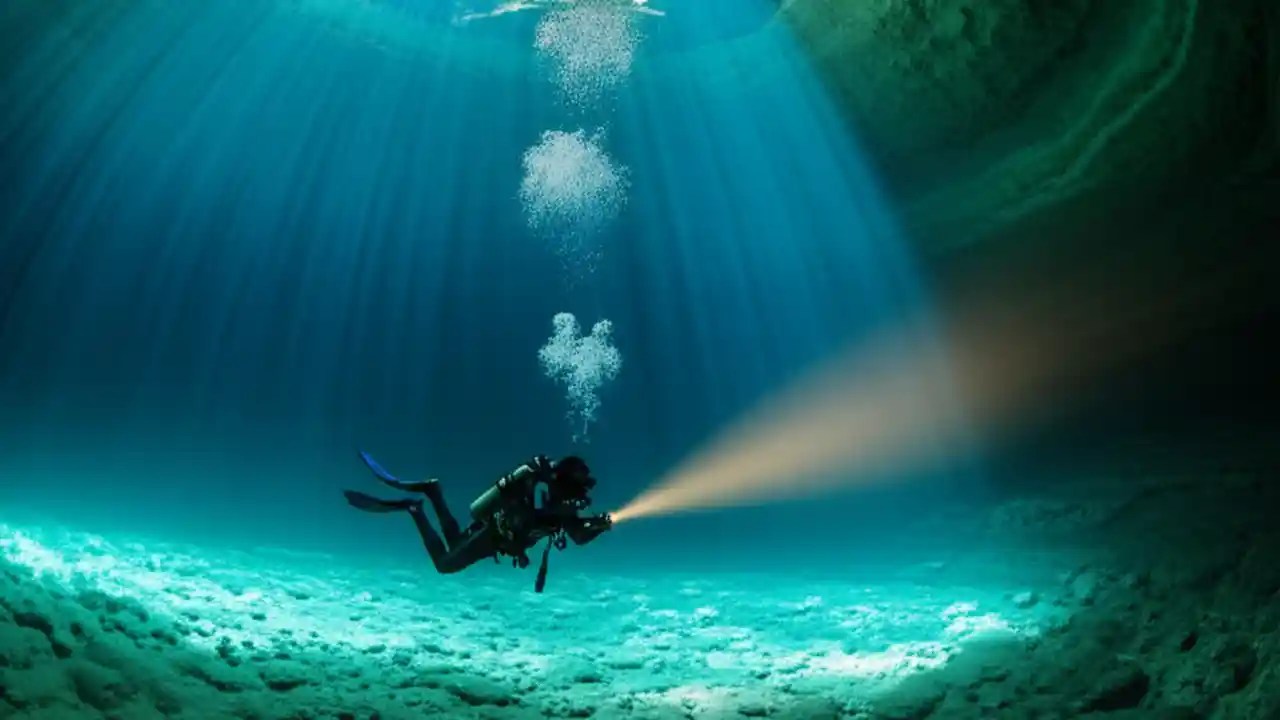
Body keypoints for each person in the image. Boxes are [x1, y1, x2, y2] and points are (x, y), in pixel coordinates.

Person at [344, 451, 612, 591]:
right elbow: (534, 517)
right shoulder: (546, 493)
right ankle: (415, 509)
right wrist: (568, 513)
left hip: (495, 539)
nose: (582, 493)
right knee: (444, 565)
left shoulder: (562, 502)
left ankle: (433, 492)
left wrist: (598, 526)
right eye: (580, 483)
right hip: (492, 534)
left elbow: (577, 535)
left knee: (454, 542)